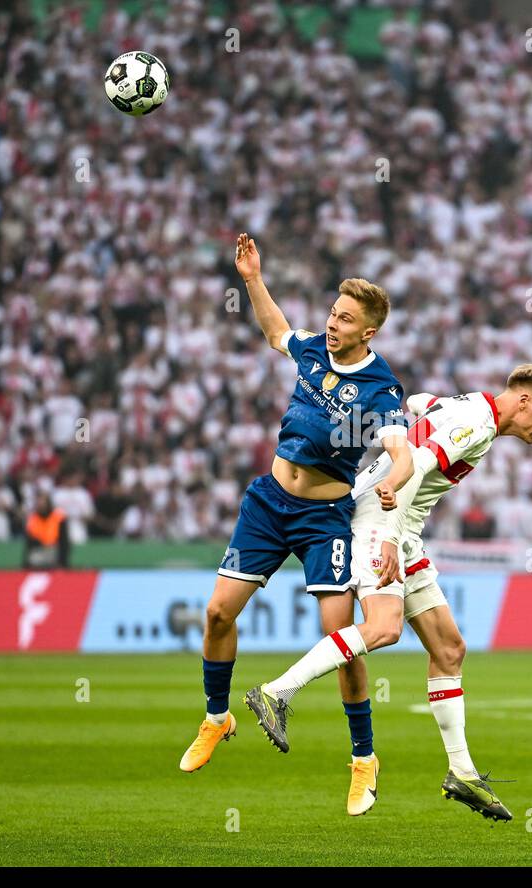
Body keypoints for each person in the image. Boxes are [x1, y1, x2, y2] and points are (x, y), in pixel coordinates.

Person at [244, 365, 532, 820]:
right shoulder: (475, 425)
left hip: (400, 528)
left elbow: (419, 403)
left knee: (450, 649)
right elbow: (414, 465)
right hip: (379, 521)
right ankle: (277, 691)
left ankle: (463, 773)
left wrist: (413, 415)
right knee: (383, 628)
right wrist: (389, 538)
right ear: (522, 400)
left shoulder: (468, 406)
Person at [177, 234, 413, 820]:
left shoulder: (381, 388)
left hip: (324, 517)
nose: (333, 324)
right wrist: (253, 278)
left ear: (369, 333)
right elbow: (275, 330)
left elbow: (401, 450)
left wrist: (393, 480)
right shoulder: (311, 349)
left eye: (346, 319)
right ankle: (216, 717)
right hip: (269, 501)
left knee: (341, 642)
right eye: (334, 313)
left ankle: (363, 761)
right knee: (216, 614)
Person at [23, 490, 69, 569]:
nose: (40, 504)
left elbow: (64, 541)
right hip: (39, 550)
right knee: (34, 559)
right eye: (38, 501)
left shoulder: (58, 517)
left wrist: (63, 562)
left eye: (42, 501)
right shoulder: (33, 518)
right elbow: (29, 543)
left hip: (54, 550)